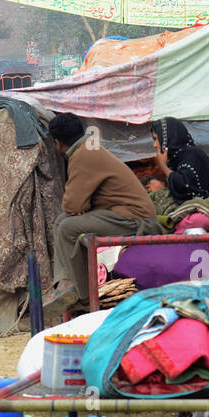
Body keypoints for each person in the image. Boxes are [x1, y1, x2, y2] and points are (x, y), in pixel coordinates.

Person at [46, 112, 162, 318]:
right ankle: (66, 283)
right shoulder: (87, 148)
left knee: (67, 227)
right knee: (62, 222)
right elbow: (75, 206)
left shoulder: (82, 154)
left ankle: (82, 297)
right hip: (121, 213)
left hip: (136, 219)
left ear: (58, 143)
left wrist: (78, 206)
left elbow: (72, 204)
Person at [150, 117, 209, 229]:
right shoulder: (176, 158)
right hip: (198, 207)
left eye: (156, 139)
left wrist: (163, 166)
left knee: (197, 221)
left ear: (167, 138)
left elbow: (184, 188)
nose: (155, 145)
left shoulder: (192, 155)